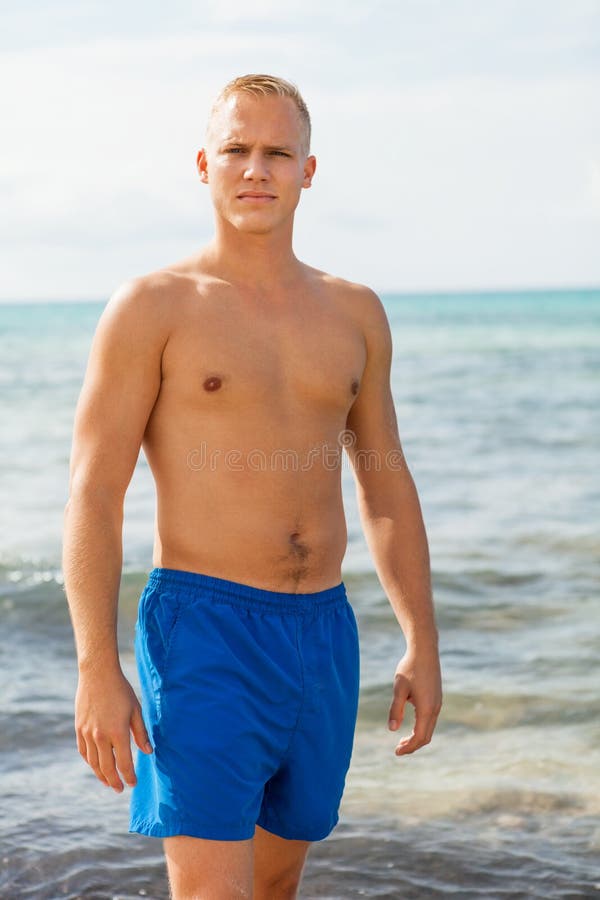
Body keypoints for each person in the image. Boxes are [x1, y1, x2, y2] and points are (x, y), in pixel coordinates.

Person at [62, 73, 442, 900]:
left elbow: (383, 483)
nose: (256, 169)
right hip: (204, 629)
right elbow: (95, 491)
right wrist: (97, 664)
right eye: (237, 150)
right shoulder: (153, 306)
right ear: (204, 164)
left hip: (322, 636)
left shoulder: (355, 313)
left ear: (309, 170)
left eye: (278, 152)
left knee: (275, 887)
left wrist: (421, 636)